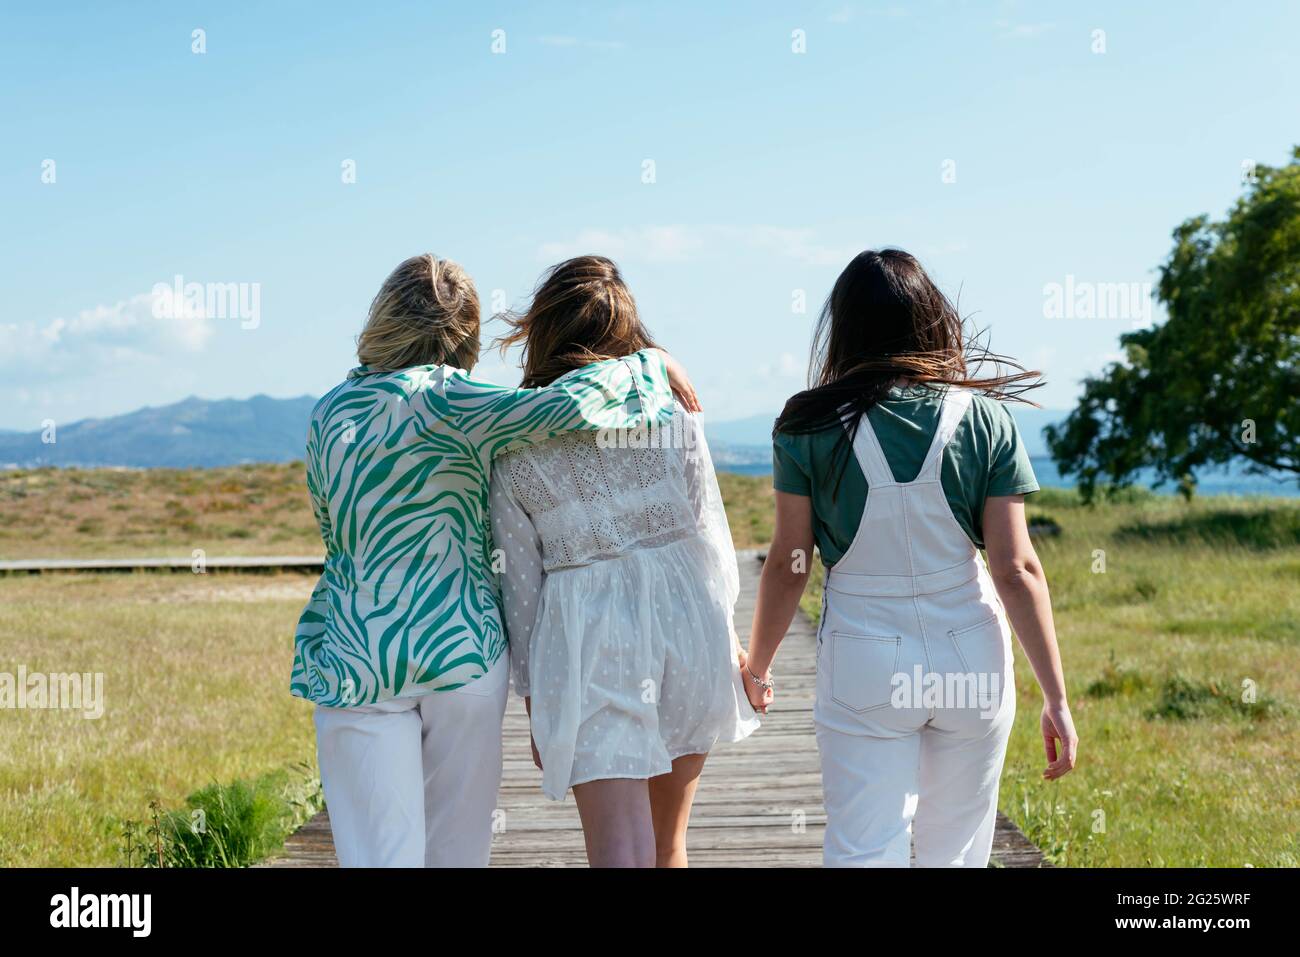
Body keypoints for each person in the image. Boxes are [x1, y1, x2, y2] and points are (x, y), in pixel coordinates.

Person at [290, 253, 699, 867]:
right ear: (466, 334)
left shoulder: (328, 413)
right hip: (460, 651)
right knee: (457, 855)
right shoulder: (459, 401)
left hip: (357, 653)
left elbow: (334, 531)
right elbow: (569, 405)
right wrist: (648, 363)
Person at [743, 248, 1078, 867]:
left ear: (840, 328)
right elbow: (1016, 569)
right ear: (932, 320)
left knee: (864, 849)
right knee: (956, 853)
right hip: (970, 655)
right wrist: (1055, 697)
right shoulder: (986, 419)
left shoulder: (805, 423)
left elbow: (792, 561)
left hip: (863, 659)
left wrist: (758, 665)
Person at [490, 255, 758, 868]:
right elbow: (709, 533)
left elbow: (521, 588)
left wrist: (539, 703)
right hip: (687, 623)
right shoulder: (672, 409)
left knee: (617, 852)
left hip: (589, 640)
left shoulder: (514, 442)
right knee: (668, 847)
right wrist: (731, 636)